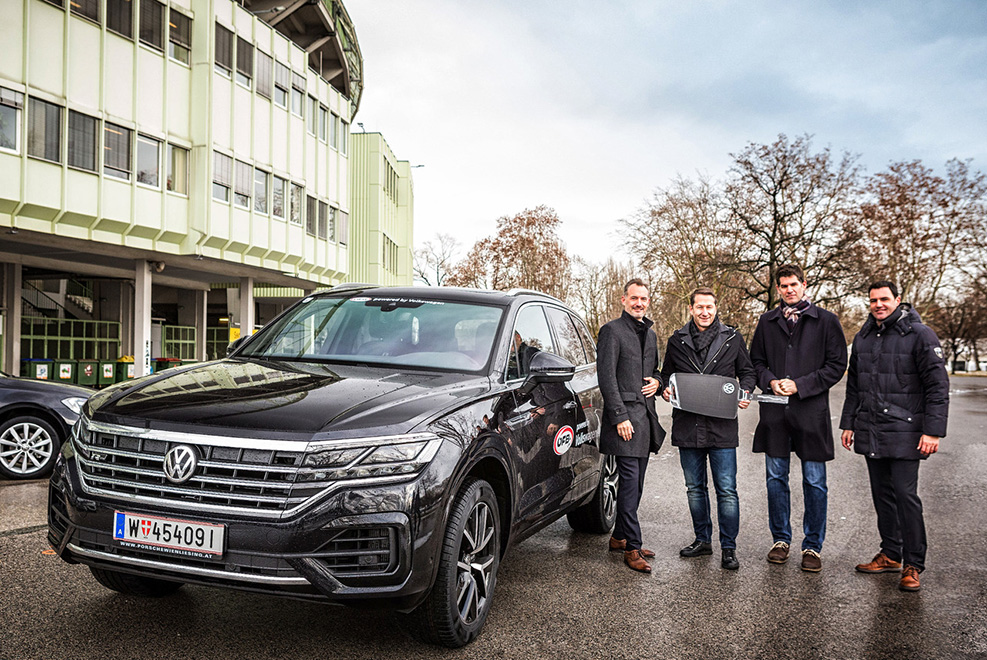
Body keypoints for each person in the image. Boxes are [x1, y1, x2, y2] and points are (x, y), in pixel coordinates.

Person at [840, 280, 949, 592]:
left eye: (884, 299)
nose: (878, 305)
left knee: (905, 496)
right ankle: (890, 554)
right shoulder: (863, 336)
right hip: (872, 429)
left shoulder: (920, 334)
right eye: (873, 300)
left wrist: (933, 430)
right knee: (882, 495)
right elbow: (854, 386)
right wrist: (849, 423)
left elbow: (938, 387)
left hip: (907, 430)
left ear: (898, 300)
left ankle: (913, 564)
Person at [749, 264, 848, 572]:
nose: (789, 289)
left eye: (794, 284)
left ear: (805, 285)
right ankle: (780, 539)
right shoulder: (767, 322)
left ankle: (812, 546)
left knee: (815, 482)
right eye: (783, 285)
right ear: (778, 289)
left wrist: (801, 385)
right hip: (775, 415)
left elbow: (837, 365)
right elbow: (756, 362)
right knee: (776, 479)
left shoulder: (827, 322)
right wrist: (770, 381)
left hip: (811, 415)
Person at [661, 287, 756, 570]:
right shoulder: (676, 340)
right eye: (699, 307)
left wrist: (746, 391)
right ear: (690, 309)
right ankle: (702, 540)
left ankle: (729, 548)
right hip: (688, 426)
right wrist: (666, 389)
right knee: (694, 488)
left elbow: (747, 372)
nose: (704, 312)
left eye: (709, 307)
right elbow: (667, 374)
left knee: (726, 489)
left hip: (722, 427)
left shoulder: (732, 338)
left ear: (716, 309)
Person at [597, 279, 666, 573]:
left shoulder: (650, 335)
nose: (639, 303)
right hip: (624, 420)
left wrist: (658, 381)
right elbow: (606, 377)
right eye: (634, 298)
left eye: (644, 299)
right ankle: (632, 547)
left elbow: (656, 370)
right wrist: (619, 416)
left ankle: (619, 536)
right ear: (623, 299)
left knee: (635, 486)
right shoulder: (611, 331)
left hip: (646, 419)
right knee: (627, 485)